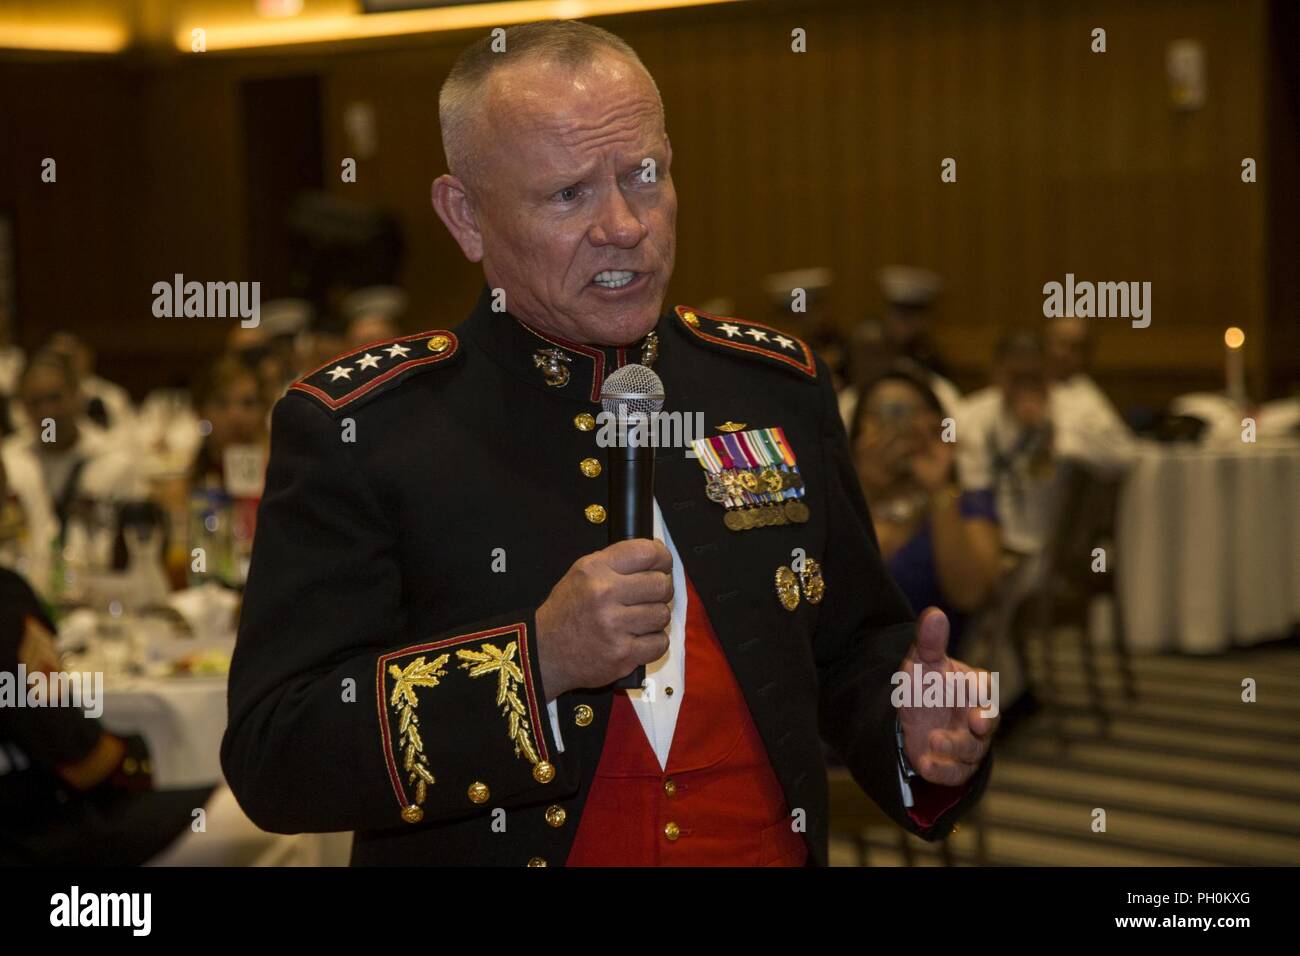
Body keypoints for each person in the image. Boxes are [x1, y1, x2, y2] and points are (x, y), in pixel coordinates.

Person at [223, 19, 995, 867]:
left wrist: (908, 715)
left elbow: (849, 643)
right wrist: (536, 662)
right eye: (568, 194)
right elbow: (276, 754)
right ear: (466, 217)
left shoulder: (772, 386)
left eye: (645, 176)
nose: (624, 225)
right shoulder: (365, 429)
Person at [851, 366, 1002, 658]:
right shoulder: (838, 501)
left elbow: (969, 595)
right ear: (857, 430)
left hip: (931, 677)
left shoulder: (969, 502)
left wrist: (938, 489)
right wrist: (864, 490)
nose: (895, 428)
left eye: (908, 413)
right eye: (880, 414)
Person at [956, 328, 1132, 555]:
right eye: (1017, 378)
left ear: (1050, 373)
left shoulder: (1077, 411)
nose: (1026, 388)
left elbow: (1125, 457)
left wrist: (1061, 439)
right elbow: (967, 482)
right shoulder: (970, 414)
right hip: (987, 547)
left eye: (1034, 377)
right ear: (997, 374)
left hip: (1055, 549)